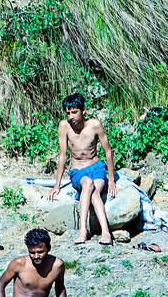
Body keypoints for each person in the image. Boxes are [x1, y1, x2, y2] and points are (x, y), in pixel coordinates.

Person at [47, 92, 117, 246]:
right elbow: (62, 156)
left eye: (74, 112)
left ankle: (104, 233)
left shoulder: (94, 125)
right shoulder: (64, 126)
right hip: (78, 171)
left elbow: (108, 151)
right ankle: (83, 230)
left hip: (97, 168)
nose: (71, 116)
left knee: (94, 192)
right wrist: (56, 185)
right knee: (87, 183)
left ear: (83, 110)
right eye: (68, 113)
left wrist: (111, 180)